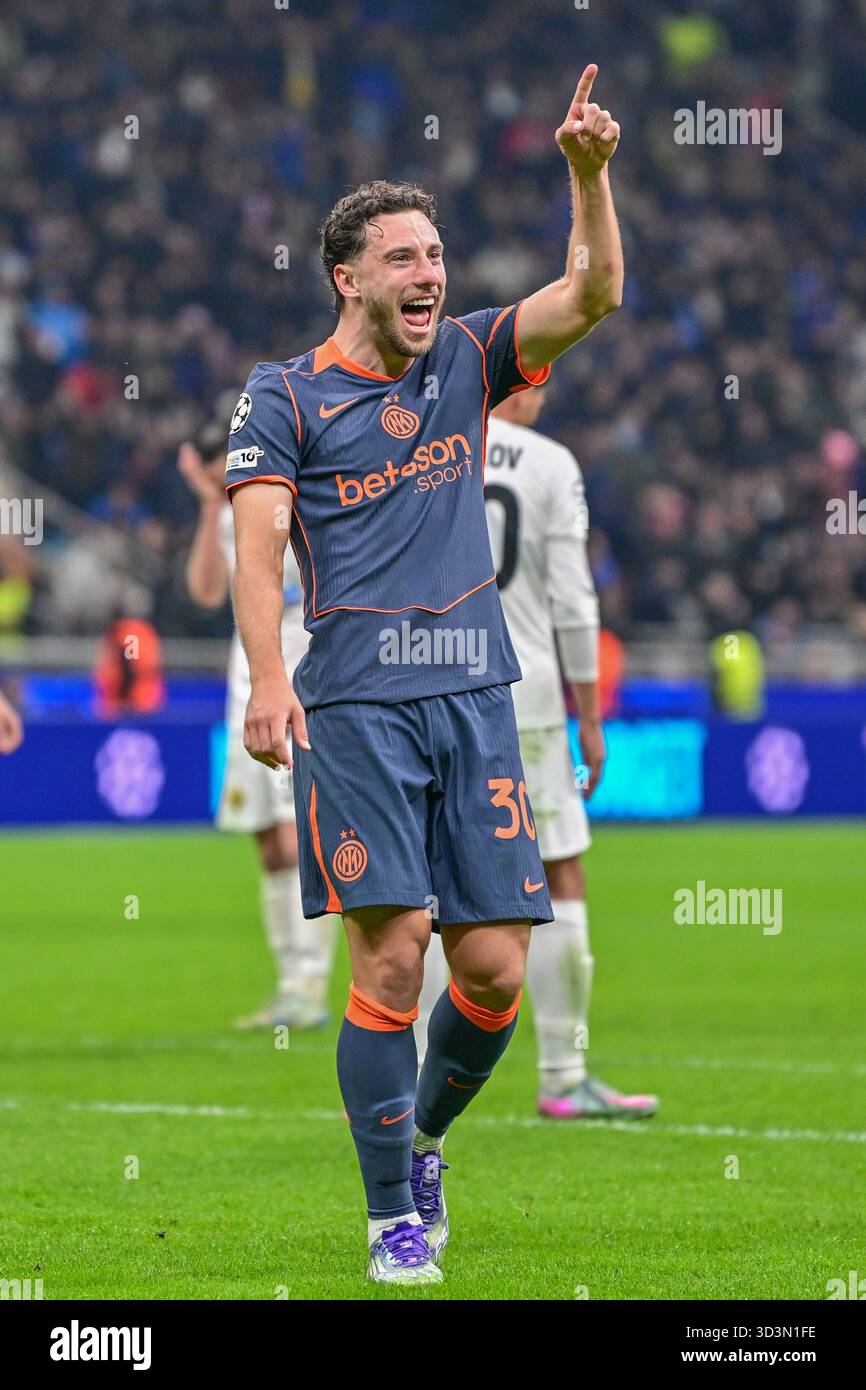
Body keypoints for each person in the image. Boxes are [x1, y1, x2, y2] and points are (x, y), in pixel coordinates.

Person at [227, 66, 622, 1284]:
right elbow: (254, 545)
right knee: (393, 956)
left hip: (474, 701)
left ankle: (425, 1139)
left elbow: (594, 292)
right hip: (352, 708)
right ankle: (388, 1219)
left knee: (495, 971)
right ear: (347, 276)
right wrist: (264, 680)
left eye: (436, 256)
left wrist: (587, 176)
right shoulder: (282, 395)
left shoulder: (463, 358)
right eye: (403, 259)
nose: (429, 277)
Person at [416, 385, 659, 1120]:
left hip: (431, 688)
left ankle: (415, 1076)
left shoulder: (425, 448)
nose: (549, 388)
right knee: (560, 871)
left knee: (426, 891)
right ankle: (562, 1075)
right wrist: (591, 716)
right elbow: (574, 598)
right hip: (528, 699)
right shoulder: (552, 464)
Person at [179, 428, 338, 1030]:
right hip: (247, 686)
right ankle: (290, 981)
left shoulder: (305, 496)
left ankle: (310, 984)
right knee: (266, 839)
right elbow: (204, 591)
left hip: (305, 680)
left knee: (300, 830)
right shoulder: (233, 511)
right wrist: (207, 506)